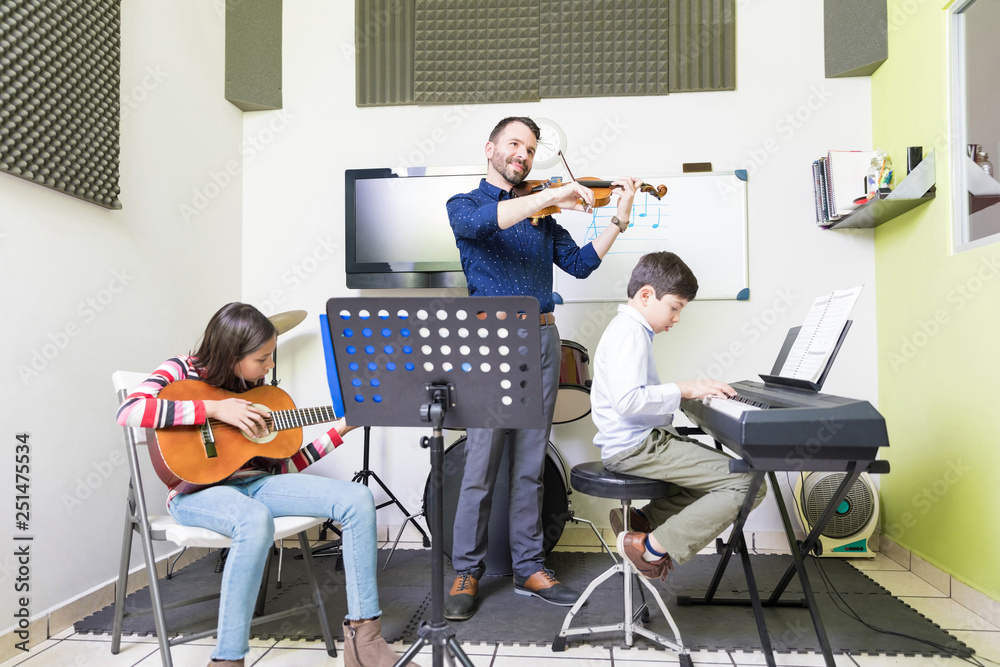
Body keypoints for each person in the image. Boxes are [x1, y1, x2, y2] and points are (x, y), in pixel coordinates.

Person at [116, 303, 416, 667]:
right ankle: (227, 660)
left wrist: (340, 431)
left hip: (258, 485)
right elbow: (129, 411)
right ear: (231, 354)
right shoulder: (181, 369)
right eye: (263, 358)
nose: (269, 365)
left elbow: (286, 465)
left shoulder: (255, 390)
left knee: (357, 498)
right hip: (198, 494)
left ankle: (364, 641)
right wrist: (215, 409)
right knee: (254, 519)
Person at [444, 116, 643, 620]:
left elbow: (580, 264)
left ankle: (529, 566)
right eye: (515, 145)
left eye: (531, 150)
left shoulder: (543, 219)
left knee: (531, 463)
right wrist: (550, 197)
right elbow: (481, 225)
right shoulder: (466, 205)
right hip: (487, 338)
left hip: (541, 335)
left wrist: (617, 216)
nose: (523, 155)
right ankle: (466, 571)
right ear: (489, 148)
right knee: (481, 463)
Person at [589, 251, 767, 579]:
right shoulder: (628, 333)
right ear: (646, 295)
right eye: (675, 307)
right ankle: (649, 547)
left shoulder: (631, 331)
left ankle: (644, 522)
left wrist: (688, 392)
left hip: (639, 441)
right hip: (635, 447)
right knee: (748, 482)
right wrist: (686, 389)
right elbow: (627, 402)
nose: (676, 318)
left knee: (720, 476)